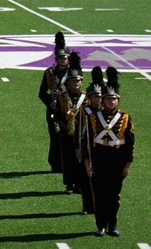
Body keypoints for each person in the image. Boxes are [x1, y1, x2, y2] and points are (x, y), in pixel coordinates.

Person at [83, 68, 135, 237]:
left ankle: (113, 224)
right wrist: (87, 163)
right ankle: (101, 225)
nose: (111, 101)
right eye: (107, 99)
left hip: (117, 159)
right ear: (103, 101)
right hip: (99, 159)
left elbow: (130, 143)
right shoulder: (92, 116)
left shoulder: (125, 117)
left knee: (114, 195)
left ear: (118, 100)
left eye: (114, 98)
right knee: (99, 194)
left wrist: (127, 164)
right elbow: (87, 142)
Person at [38, 32, 71, 173]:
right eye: (60, 58)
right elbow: (41, 93)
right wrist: (50, 103)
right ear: (56, 59)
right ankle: (55, 164)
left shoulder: (73, 73)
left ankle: (68, 164)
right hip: (54, 110)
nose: (63, 60)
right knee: (55, 136)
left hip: (70, 109)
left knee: (70, 137)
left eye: (65, 58)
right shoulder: (49, 73)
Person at [75, 67, 106, 215]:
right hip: (86, 147)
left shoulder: (106, 112)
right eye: (94, 96)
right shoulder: (85, 111)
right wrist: (78, 147)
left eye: (99, 96)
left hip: (102, 148)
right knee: (86, 178)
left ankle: (100, 205)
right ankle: (88, 206)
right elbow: (79, 130)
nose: (97, 99)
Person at [54, 52, 86, 193]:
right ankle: (70, 183)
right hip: (67, 131)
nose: (76, 83)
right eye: (73, 80)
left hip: (83, 133)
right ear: (68, 82)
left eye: (78, 80)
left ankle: (80, 183)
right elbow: (56, 115)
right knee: (68, 159)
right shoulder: (62, 97)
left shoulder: (86, 98)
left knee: (81, 158)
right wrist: (64, 118)